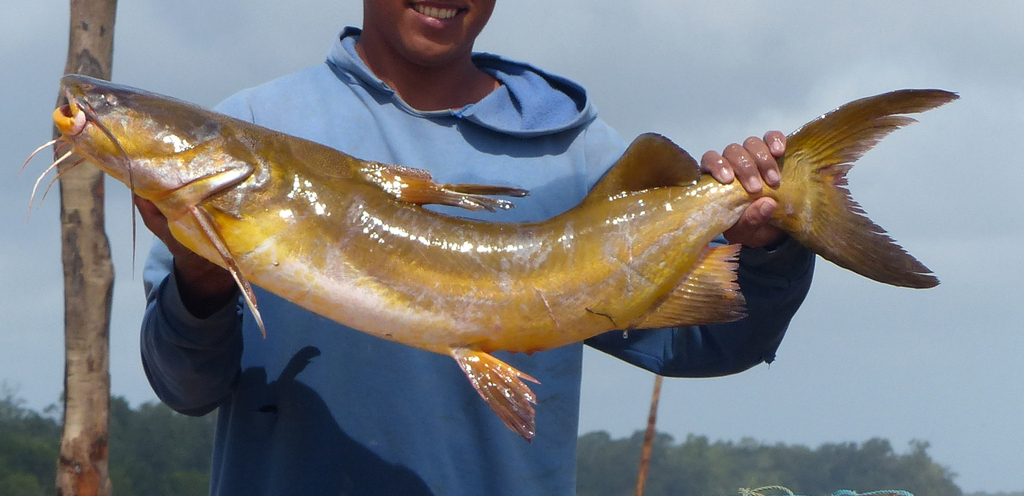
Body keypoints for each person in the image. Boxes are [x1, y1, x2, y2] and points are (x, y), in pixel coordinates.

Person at [137, 1, 814, 494]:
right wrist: (200, 281)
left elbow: (712, 342)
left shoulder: (576, 157)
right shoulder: (246, 138)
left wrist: (769, 249)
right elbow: (185, 387)